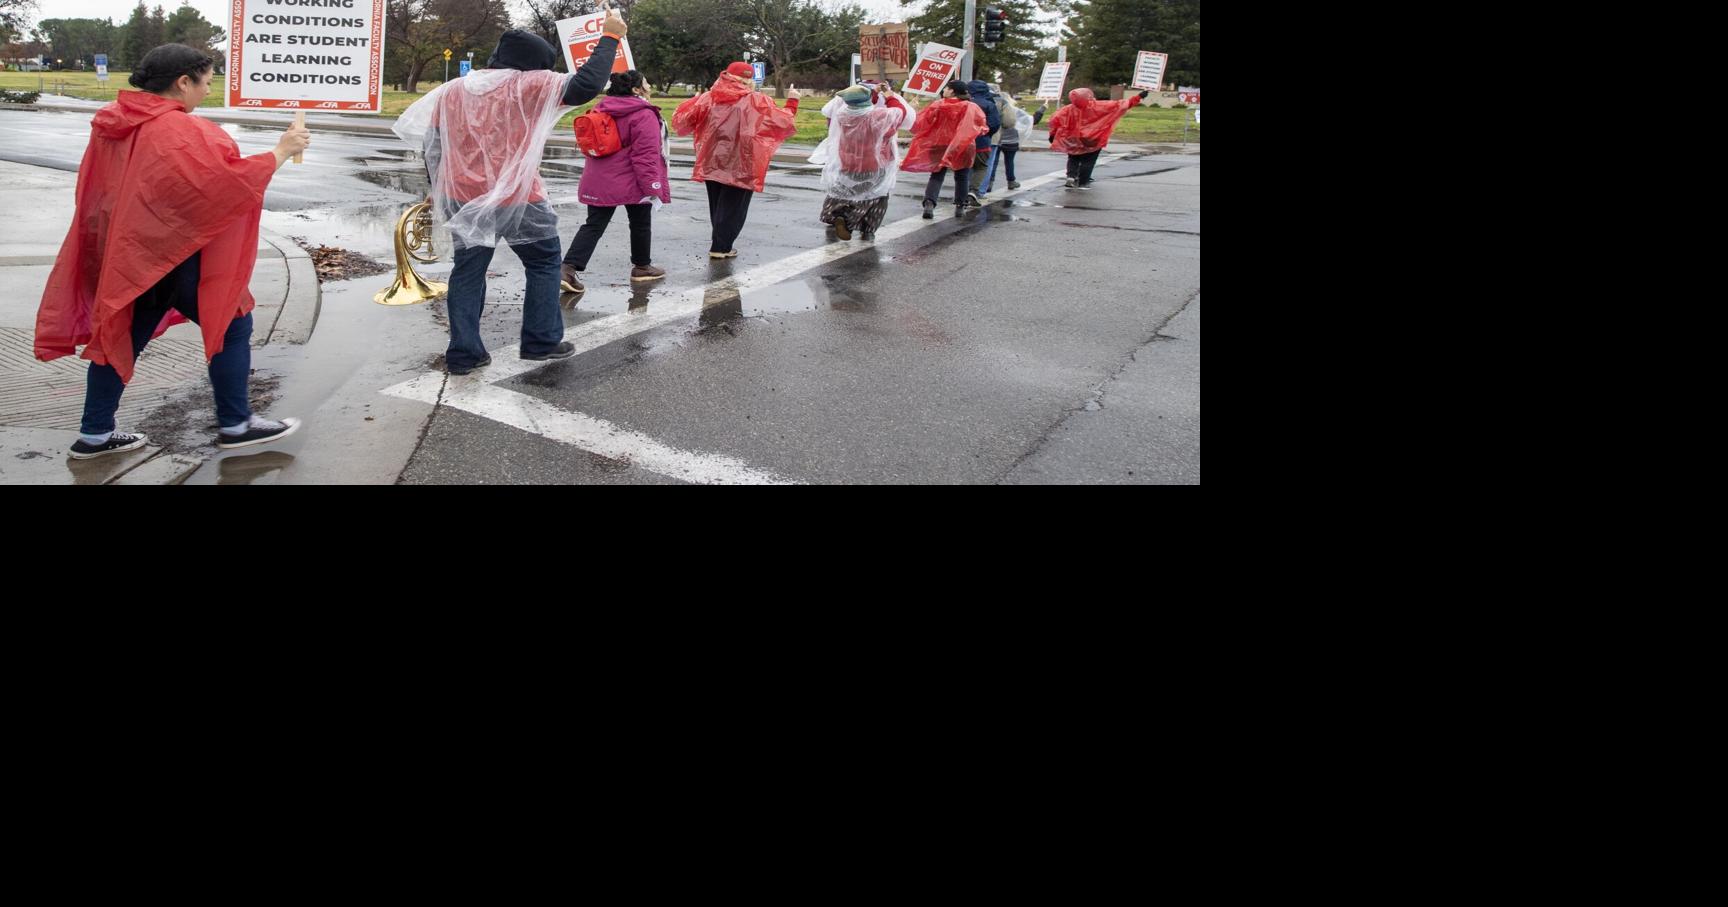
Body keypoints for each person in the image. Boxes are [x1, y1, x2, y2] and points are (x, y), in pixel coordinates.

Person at [34, 44, 309, 458]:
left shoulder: (113, 123)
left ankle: (94, 435)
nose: (207, 92)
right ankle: (236, 423)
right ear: (184, 82)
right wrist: (281, 151)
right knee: (233, 324)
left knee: (120, 336)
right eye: (206, 83)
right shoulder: (181, 130)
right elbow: (222, 185)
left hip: (128, 254)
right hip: (169, 255)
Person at [392, 13, 626, 376]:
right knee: (543, 262)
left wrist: (434, 189)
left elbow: (433, 144)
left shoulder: (454, 89)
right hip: (519, 196)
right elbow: (586, 85)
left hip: (461, 195)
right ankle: (541, 341)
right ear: (534, 65)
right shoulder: (530, 84)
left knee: (468, 271)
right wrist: (609, 37)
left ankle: (464, 354)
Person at [672, 63, 801, 259]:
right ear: (748, 80)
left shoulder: (708, 98)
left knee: (717, 204)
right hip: (743, 160)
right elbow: (783, 121)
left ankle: (720, 242)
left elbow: (682, 123)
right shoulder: (757, 101)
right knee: (734, 207)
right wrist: (792, 101)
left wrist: (692, 102)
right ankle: (721, 246)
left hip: (711, 158)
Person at [561, 70, 671, 292]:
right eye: (646, 82)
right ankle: (641, 266)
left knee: (594, 224)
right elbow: (646, 155)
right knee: (640, 222)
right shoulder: (643, 114)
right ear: (636, 89)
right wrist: (653, 187)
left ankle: (567, 268)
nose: (649, 85)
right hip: (632, 179)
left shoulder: (602, 108)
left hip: (600, 177)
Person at [811, 83, 915, 242]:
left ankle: (833, 215)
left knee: (844, 190)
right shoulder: (878, 117)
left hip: (848, 163)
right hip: (875, 165)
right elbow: (899, 113)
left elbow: (864, 104)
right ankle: (859, 225)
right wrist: (889, 97)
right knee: (875, 196)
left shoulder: (843, 115)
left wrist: (874, 92)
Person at [900, 80, 988, 219]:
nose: (944, 90)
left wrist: (915, 112)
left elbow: (921, 123)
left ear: (952, 91)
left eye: (946, 88)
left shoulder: (938, 105)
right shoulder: (971, 107)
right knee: (962, 176)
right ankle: (960, 206)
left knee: (936, 175)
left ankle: (929, 203)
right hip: (962, 145)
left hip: (938, 144)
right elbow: (981, 125)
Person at [1047, 87, 1149, 189]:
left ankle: (1071, 176)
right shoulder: (1099, 106)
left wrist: (1053, 135)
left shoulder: (1067, 109)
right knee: (1088, 161)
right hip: (1092, 139)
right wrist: (1139, 96)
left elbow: (1054, 121)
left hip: (1072, 140)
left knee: (1073, 158)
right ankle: (1083, 182)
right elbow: (1122, 105)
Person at [983, 84, 1044, 192]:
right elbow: (1030, 120)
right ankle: (1011, 181)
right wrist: (1042, 109)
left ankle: (989, 183)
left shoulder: (992, 104)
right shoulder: (1014, 110)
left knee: (993, 162)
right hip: (1011, 140)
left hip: (995, 138)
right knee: (1009, 161)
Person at [964, 79, 1000, 205]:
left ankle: (962, 192)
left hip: (963, 141)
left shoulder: (964, 103)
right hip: (982, 141)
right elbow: (995, 124)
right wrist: (986, 133)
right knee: (981, 167)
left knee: (964, 167)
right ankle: (974, 191)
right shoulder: (989, 104)